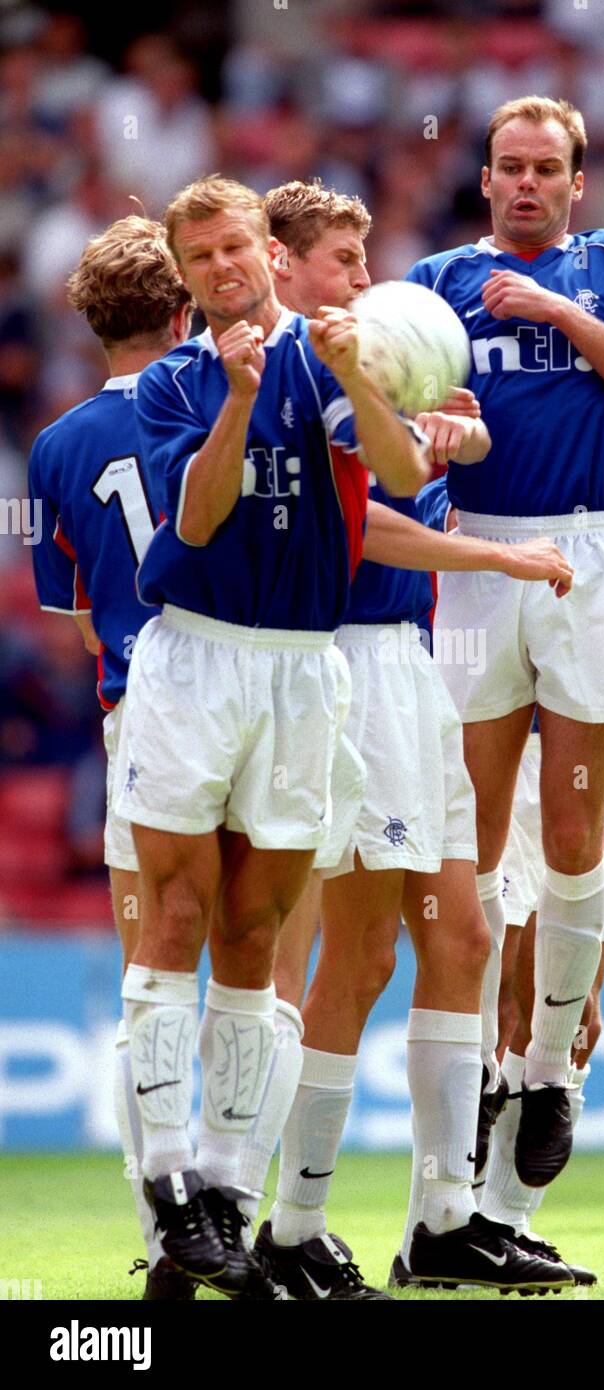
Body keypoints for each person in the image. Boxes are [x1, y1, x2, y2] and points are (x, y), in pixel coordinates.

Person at [233, 179, 577, 1298]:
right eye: (342, 256)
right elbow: (359, 524)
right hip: (345, 662)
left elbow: (410, 478)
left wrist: (443, 436)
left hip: (409, 669)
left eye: (365, 252)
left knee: (460, 941)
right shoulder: (284, 368)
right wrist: (495, 555)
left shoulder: (355, 356)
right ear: (282, 263)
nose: (363, 275)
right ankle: (285, 1223)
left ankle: (442, 1221)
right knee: (357, 952)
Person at [111, 175, 429, 1297]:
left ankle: (228, 1201)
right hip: (194, 658)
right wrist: (239, 402)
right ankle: (166, 1191)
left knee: (254, 936)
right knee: (179, 915)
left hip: (303, 667)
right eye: (197, 259)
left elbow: (399, 474)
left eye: (234, 246)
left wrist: (351, 374)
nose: (221, 268)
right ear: (183, 275)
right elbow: (195, 519)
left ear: (267, 250)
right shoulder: (171, 383)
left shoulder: (329, 357)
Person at [406, 95, 604, 1184]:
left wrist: (559, 316)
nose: (525, 182)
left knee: (572, 829)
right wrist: (434, 436)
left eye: (546, 168)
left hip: (590, 547)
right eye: (508, 166)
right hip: (479, 553)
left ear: (577, 182)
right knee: (475, 836)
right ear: (482, 178)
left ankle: (548, 1069)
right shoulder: (431, 287)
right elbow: (401, 434)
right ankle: (480, 1059)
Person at [27, 215, 196, 1300]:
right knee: (259, 967)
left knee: (153, 973)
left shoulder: (55, 445)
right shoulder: (224, 403)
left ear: (90, 323)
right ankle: (242, 1211)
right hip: (258, 689)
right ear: (183, 312)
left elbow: (71, 620)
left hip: (142, 711)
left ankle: (161, 1222)